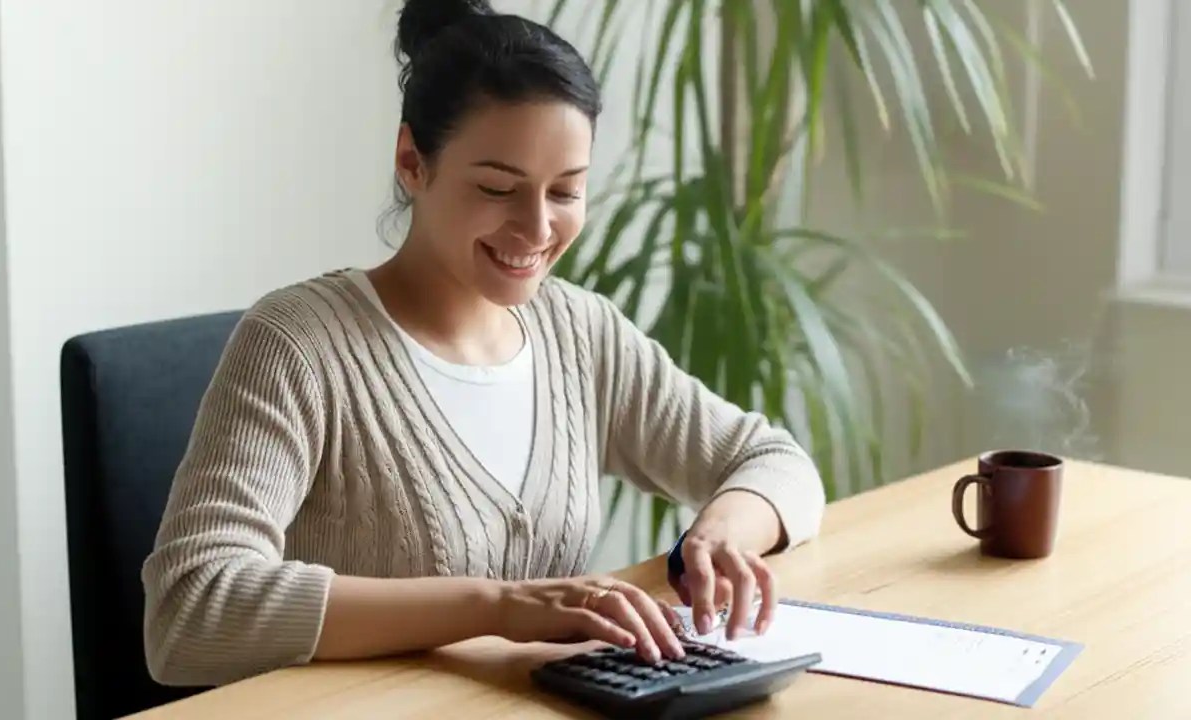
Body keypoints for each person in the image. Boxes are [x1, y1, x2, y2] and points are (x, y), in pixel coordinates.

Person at [141, 0, 826, 688]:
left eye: (565, 191)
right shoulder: (298, 348)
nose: (535, 228)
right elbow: (190, 611)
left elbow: (776, 463)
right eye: (498, 187)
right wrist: (494, 607)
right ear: (413, 161)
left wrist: (717, 539)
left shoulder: (579, 333)